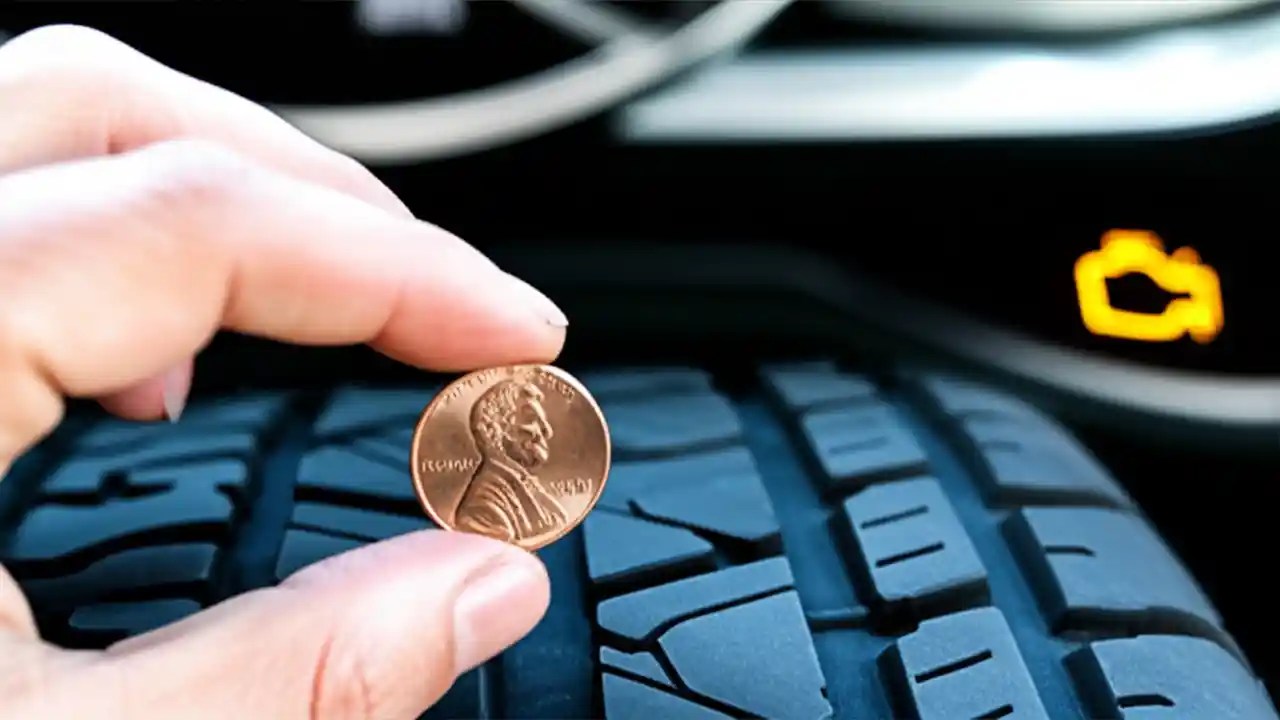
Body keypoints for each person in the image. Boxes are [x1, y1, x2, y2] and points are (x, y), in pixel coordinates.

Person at [0, 25, 564, 719]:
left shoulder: (514, 496)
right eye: (531, 416)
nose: (542, 425)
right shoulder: (495, 494)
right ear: (501, 428)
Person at [455, 371, 569, 543]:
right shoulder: (483, 509)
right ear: (497, 429)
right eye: (531, 419)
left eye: (543, 421)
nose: (547, 430)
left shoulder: (528, 487)